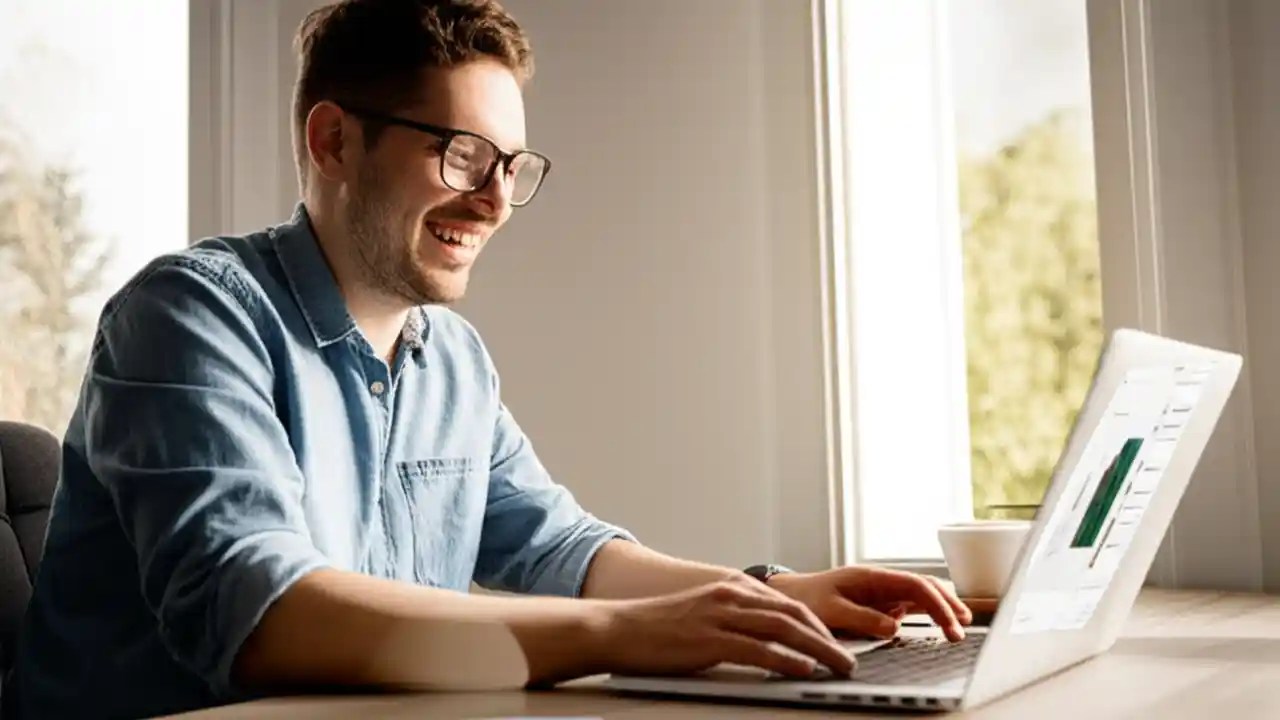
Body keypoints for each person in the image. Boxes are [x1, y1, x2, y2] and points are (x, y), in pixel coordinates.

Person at [6, 1, 972, 717]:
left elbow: (561, 550)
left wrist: (768, 593)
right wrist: (630, 638)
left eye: (512, 166)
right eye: (464, 155)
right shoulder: (190, 314)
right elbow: (262, 614)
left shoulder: (451, 361)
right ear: (335, 140)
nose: (496, 199)